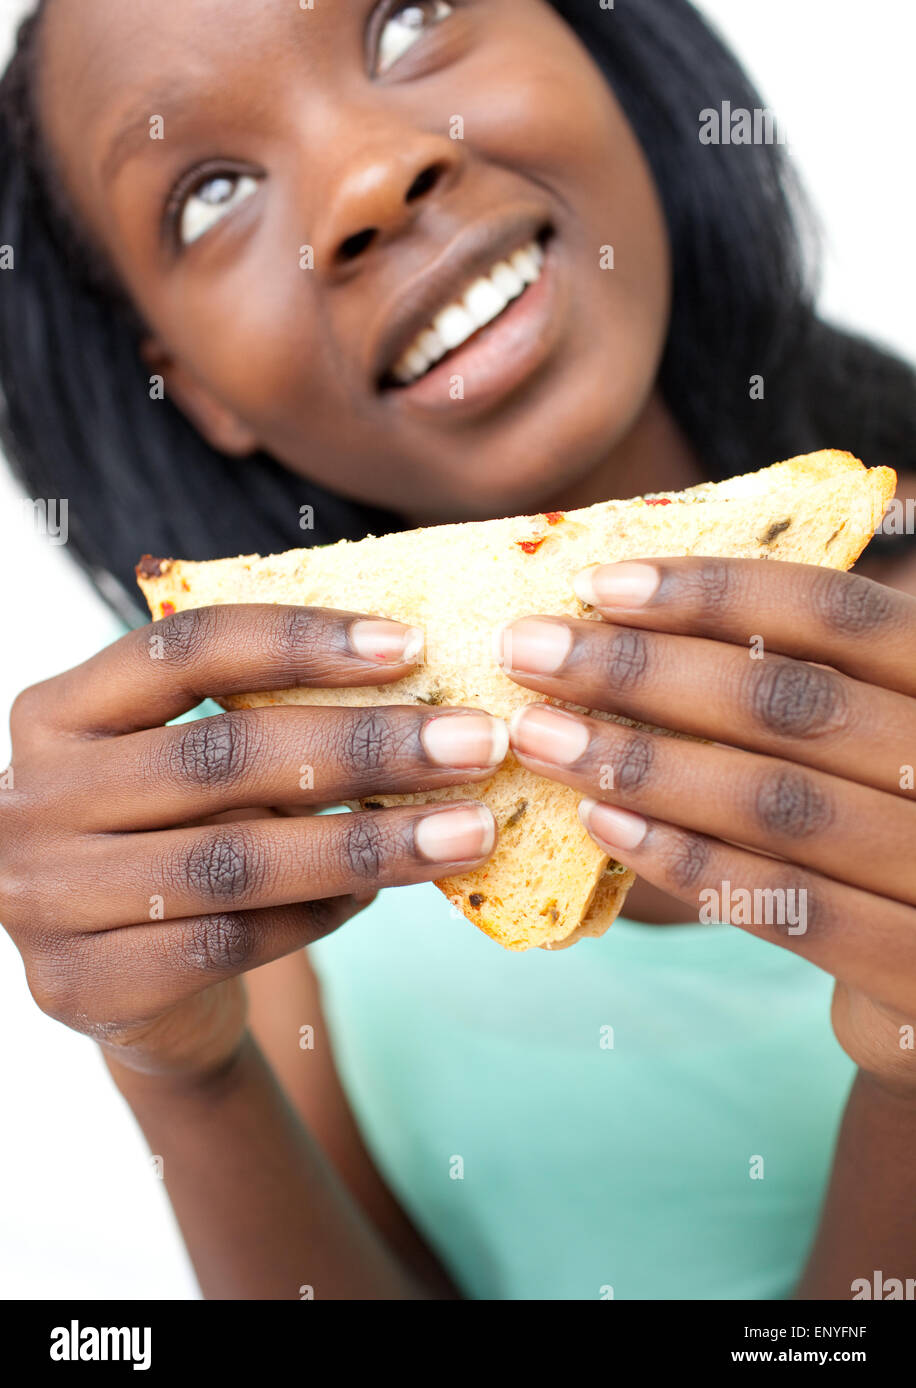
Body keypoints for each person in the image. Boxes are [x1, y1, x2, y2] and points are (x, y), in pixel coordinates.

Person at [0, 0, 913, 1300]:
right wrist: (183, 1072)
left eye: (408, 18)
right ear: (191, 382)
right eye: (207, 194)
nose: (369, 180)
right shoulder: (236, 822)